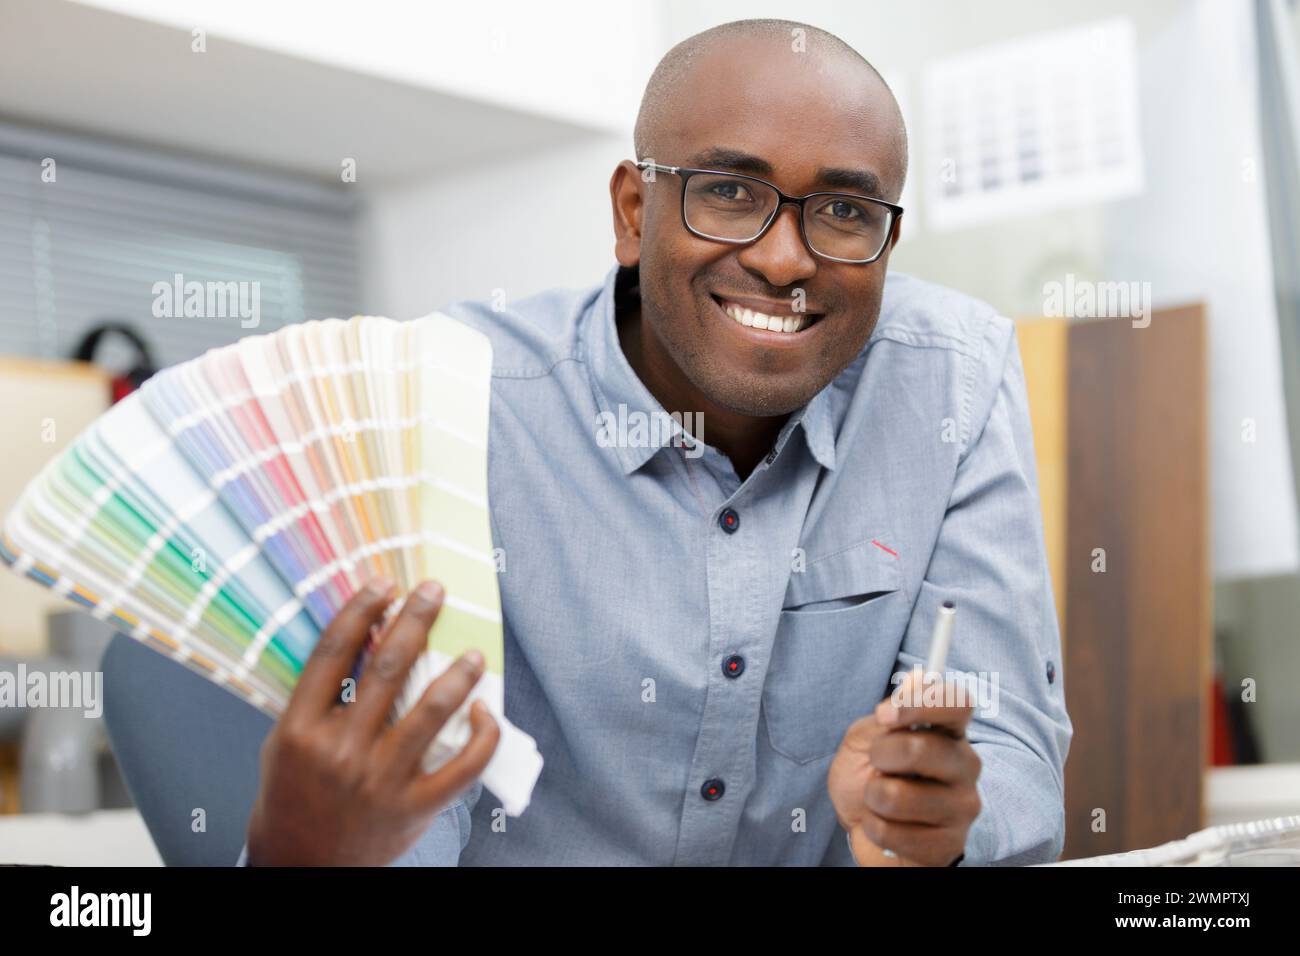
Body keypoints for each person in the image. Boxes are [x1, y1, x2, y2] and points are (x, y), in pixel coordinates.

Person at [242, 17, 1072, 867]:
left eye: (845, 211)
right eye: (729, 192)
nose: (786, 260)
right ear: (635, 212)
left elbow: (1011, 747)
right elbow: (399, 808)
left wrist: (940, 822)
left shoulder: (952, 378)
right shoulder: (442, 399)